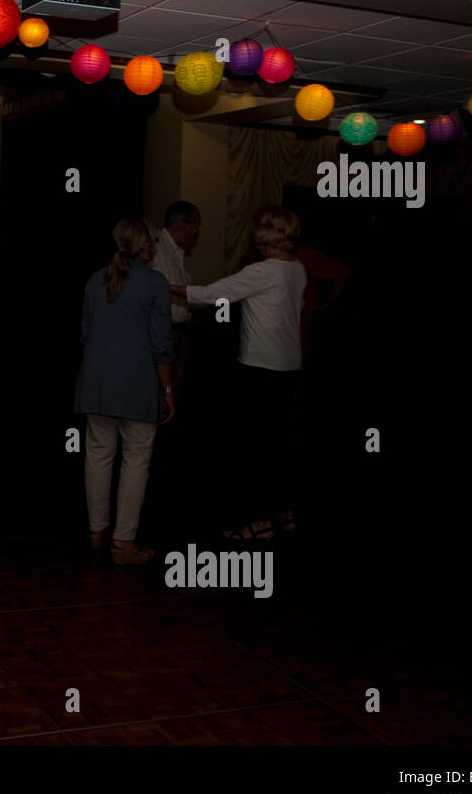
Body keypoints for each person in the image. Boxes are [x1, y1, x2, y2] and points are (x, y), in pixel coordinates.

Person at [172, 205, 306, 540]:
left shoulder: (264, 272)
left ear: (265, 234)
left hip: (261, 368)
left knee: (255, 447)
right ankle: (284, 512)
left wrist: (168, 287)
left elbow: (211, 294)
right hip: (289, 366)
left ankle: (259, 523)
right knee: (279, 442)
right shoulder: (298, 269)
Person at [75, 217, 175, 566]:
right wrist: (167, 388)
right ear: (145, 244)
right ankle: (123, 542)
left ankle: (96, 532)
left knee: (98, 457)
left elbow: (86, 333)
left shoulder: (94, 280)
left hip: (97, 384)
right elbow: (162, 344)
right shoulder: (156, 283)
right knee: (136, 462)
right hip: (137, 386)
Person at [149, 201, 202, 397]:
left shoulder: (178, 253)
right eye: (198, 225)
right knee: (157, 393)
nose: (198, 231)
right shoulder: (154, 247)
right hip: (161, 335)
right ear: (187, 225)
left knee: (170, 395)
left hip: (179, 334)